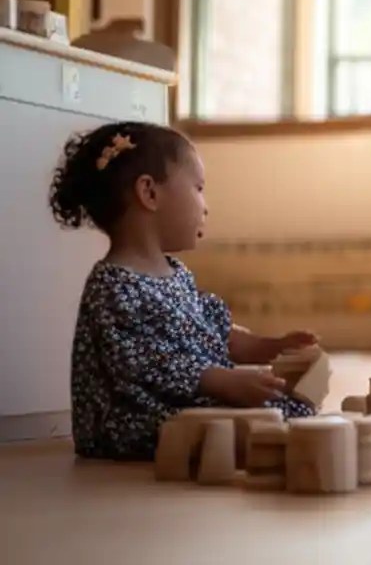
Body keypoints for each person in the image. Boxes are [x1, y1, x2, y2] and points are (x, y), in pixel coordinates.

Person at [51, 122, 316, 461]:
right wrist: (220, 381)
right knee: (258, 419)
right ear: (149, 193)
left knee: (287, 407)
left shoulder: (175, 274)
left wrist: (272, 347)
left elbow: (215, 332)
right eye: (199, 188)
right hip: (130, 420)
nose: (205, 206)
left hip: (182, 402)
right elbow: (145, 364)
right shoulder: (113, 287)